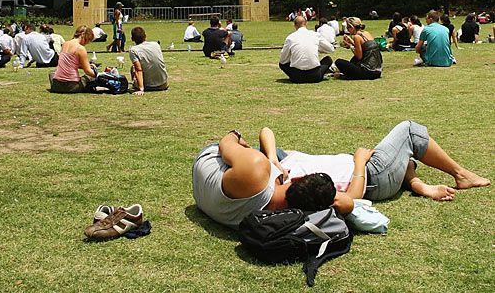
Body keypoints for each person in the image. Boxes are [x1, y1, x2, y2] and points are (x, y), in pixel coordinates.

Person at [192, 123, 490, 229]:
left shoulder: (280, 200)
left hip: (219, 190)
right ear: (293, 179)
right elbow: (227, 142)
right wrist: (359, 161)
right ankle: (460, 174)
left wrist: (271, 158)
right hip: (372, 174)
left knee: (406, 160)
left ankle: (416, 182)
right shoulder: (256, 174)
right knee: (410, 131)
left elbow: (264, 137)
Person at [278, 15, 334, 83]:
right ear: (306, 23)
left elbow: (283, 60)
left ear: (294, 25)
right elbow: (331, 49)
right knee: (328, 59)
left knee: (282, 64)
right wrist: (319, 49)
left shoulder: (290, 38)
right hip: (314, 75)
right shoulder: (315, 35)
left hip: (297, 76)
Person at [49, 26, 97, 93]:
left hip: (56, 86)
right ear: (83, 35)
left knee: (52, 72)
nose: (87, 43)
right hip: (72, 86)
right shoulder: (80, 48)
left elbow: (70, 63)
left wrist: (85, 65)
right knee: (89, 77)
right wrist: (97, 74)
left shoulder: (65, 44)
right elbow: (88, 71)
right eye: (88, 40)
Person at [129, 26, 168, 95]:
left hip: (148, 86)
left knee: (133, 67)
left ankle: (137, 85)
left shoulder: (133, 50)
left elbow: (138, 69)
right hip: (163, 84)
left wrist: (141, 89)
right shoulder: (156, 44)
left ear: (132, 39)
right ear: (145, 36)